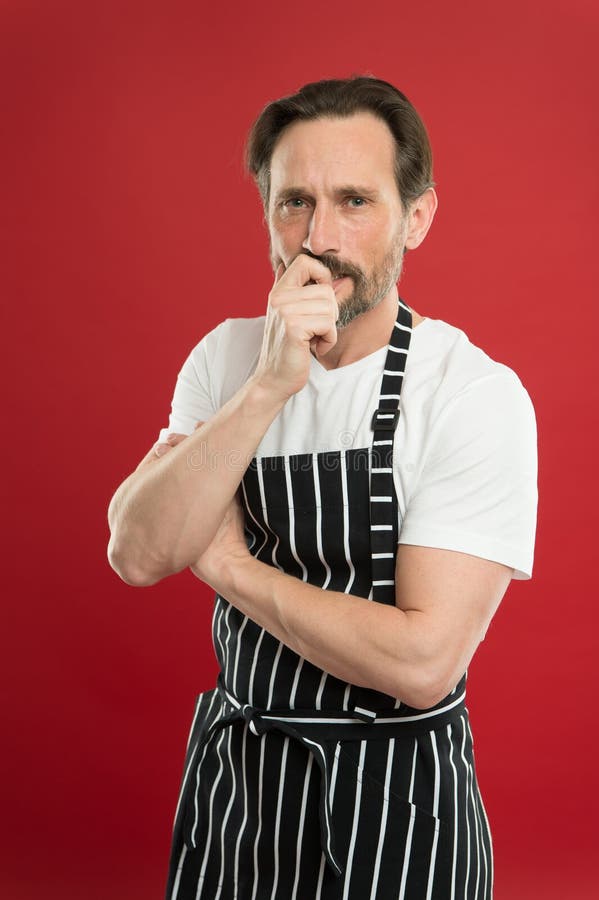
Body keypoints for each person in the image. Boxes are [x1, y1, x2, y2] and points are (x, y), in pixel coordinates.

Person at [107, 76, 537, 900]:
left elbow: (420, 662)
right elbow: (138, 550)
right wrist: (267, 386)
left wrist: (231, 569)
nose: (319, 237)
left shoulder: (468, 393)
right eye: (293, 202)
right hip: (242, 789)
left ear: (416, 217)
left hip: (399, 806)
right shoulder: (226, 360)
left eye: (354, 202)